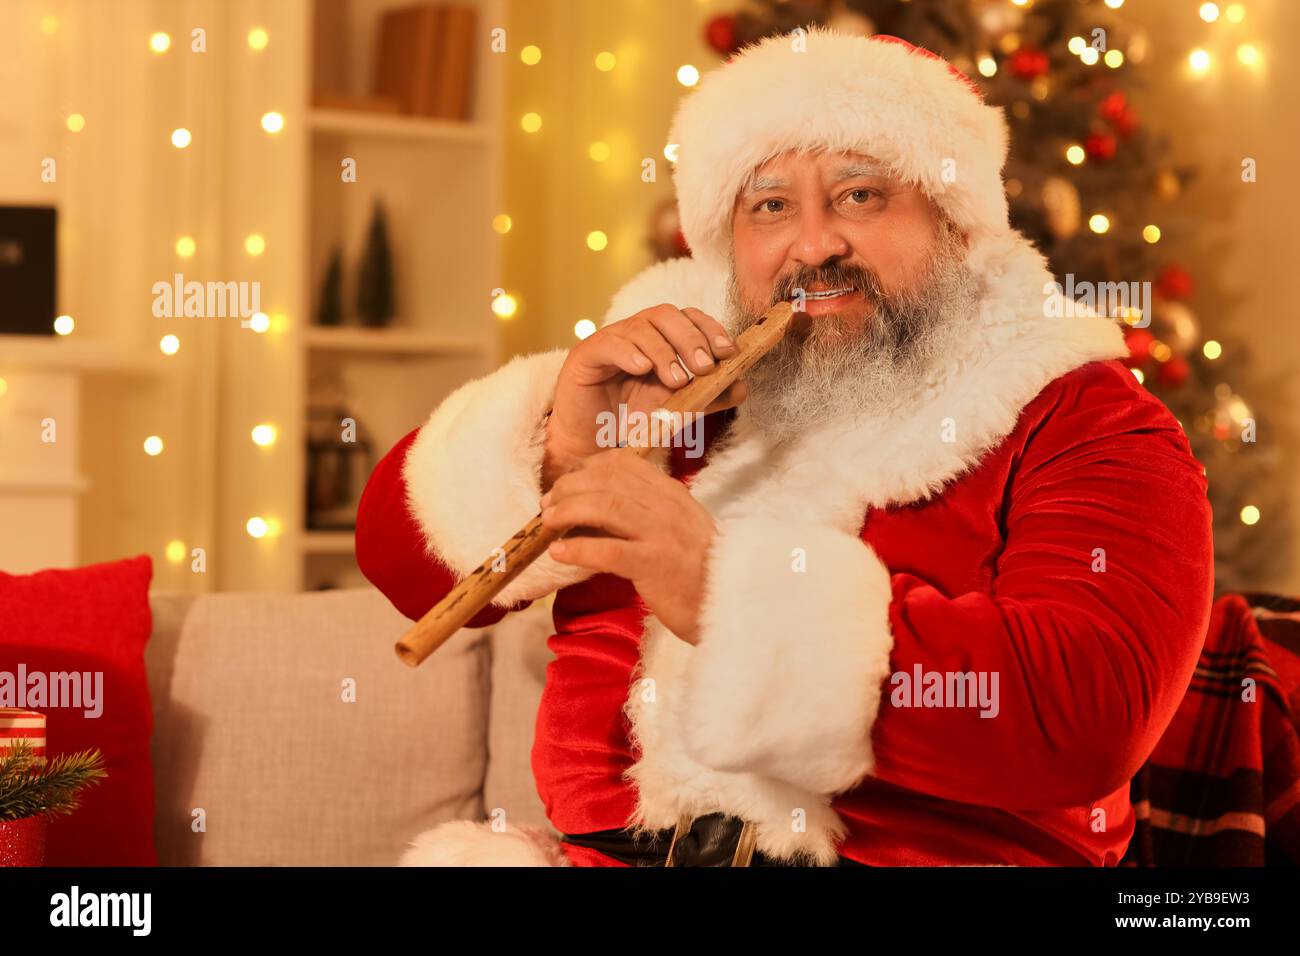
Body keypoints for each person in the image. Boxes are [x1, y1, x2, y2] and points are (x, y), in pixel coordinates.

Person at [356, 29, 1214, 866]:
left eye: (860, 195)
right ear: (730, 244)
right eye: (770, 205)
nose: (813, 245)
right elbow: (400, 566)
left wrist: (718, 589)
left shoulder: (1082, 415)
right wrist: (564, 447)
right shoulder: (669, 378)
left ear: (953, 222)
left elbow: (1085, 715)